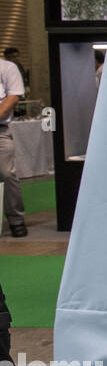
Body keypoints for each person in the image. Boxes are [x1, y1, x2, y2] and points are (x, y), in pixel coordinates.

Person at [0, 53, 27, 237]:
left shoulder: (7, 67)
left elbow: (13, 96)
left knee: (6, 173)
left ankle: (16, 219)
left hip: (1, 130)